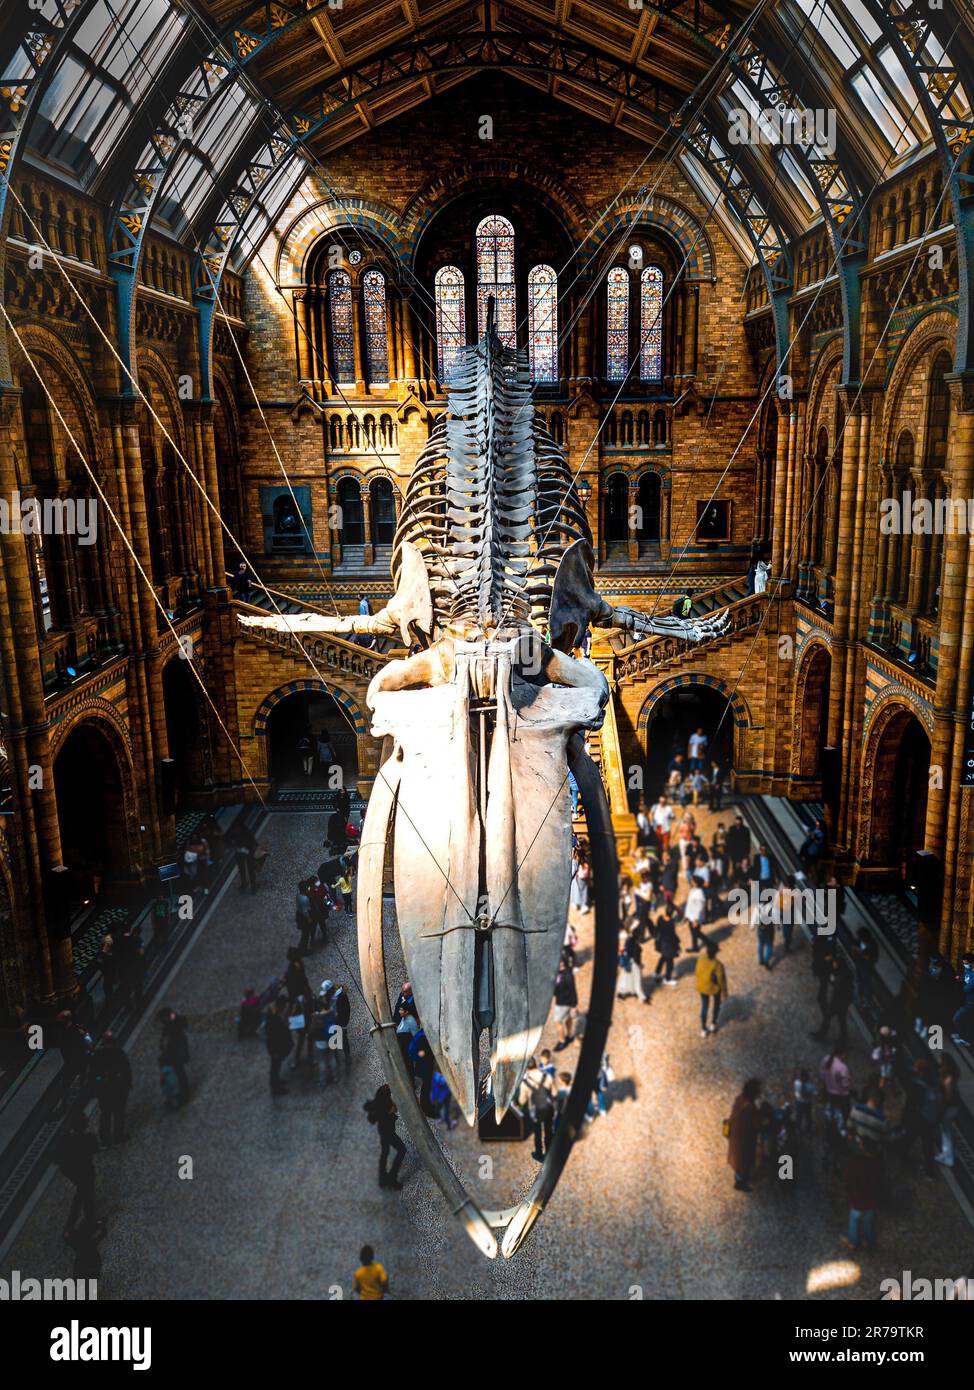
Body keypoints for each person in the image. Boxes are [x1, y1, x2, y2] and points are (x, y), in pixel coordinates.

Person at [57, 1112, 101, 1243]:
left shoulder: (65, 1139)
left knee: (82, 1195)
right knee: (86, 1196)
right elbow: (95, 1149)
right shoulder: (89, 1138)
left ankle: (72, 1226)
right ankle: (84, 1224)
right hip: (85, 1172)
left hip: (73, 1173)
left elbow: (58, 1158)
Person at [899, 1057, 943, 1177]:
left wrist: (904, 1119)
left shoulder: (918, 1085)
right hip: (930, 1120)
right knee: (927, 1144)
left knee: (911, 1135)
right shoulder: (934, 1082)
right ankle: (929, 1168)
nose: (913, 1069)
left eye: (915, 1068)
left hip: (920, 1117)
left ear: (921, 1072)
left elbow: (911, 1104)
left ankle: (902, 1152)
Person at [91, 1032, 132, 1147]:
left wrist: (97, 1086)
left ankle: (105, 1139)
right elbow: (126, 1071)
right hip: (118, 1088)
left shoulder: (98, 1055)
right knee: (119, 1113)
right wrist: (128, 1084)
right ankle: (118, 1137)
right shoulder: (119, 1053)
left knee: (106, 1114)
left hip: (104, 1090)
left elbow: (93, 1073)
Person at [364, 1084, 406, 1190]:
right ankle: (392, 1178)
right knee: (401, 1150)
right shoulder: (386, 1105)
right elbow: (395, 1109)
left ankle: (382, 1179)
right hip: (388, 1132)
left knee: (385, 1153)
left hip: (383, 1130)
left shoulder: (380, 1097)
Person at [844, 1138, 882, 1251]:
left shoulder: (855, 1162)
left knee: (854, 1221)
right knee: (868, 1221)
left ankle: (853, 1241)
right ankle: (867, 1240)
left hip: (857, 1200)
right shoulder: (877, 1164)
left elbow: (848, 1178)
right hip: (871, 1200)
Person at [727, 1078, 762, 1191]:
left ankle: (738, 1179)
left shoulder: (739, 1100)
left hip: (735, 1137)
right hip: (745, 1142)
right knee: (745, 1163)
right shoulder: (751, 1109)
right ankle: (741, 1183)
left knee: (738, 1161)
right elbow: (757, 1126)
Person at [519, 1056, 557, 1160]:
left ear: (526, 1068)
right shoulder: (547, 1076)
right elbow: (554, 1093)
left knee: (537, 1132)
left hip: (535, 1111)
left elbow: (522, 1101)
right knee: (548, 1131)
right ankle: (549, 1152)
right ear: (536, 1064)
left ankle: (539, 1153)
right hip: (548, 1108)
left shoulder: (525, 1082)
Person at [812, 956, 854, 1046]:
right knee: (841, 1020)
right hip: (841, 1002)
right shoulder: (844, 972)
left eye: (835, 963)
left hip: (839, 1002)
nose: (833, 965)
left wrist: (833, 980)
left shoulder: (844, 976)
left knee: (830, 1018)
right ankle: (843, 1038)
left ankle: (822, 1035)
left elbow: (838, 987)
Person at [157, 1007, 189, 1107]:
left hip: (176, 1055)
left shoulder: (174, 1027)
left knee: (179, 1074)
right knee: (176, 1074)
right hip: (173, 1055)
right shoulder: (169, 1027)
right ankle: (179, 1094)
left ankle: (183, 1094)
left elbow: (177, 1041)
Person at [696, 940, 727, 1037]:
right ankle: (713, 1024)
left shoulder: (701, 958)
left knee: (704, 1007)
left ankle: (703, 1029)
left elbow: (697, 971)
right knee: (716, 1004)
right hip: (714, 988)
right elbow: (721, 979)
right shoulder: (718, 965)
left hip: (702, 986)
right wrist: (724, 991)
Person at [935, 1053, 960, 1167]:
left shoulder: (948, 1079)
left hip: (949, 1108)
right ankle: (952, 1153)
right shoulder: (951, 1075)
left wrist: (942, 1109)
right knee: (949, 1131)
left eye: (940, 1060)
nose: (938, 1061)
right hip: (952, 1107)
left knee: (946, 1132)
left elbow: (948, 1097)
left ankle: (948, 1157)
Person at [266, 995, 293, 1095]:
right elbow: (273, 1035)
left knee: (276, 1066)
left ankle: (276, 1081)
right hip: (276, 1048)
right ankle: (275, 1088)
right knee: (275, 1066)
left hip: (276, 1047)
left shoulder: (274, 1014)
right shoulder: (273, 1017)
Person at [552, 952, 578, 1048]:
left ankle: (562, 1041)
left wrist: (574, 1005)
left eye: (561, 961)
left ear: (563, 962)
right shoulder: (559, 973)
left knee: (557, 1022)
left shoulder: (567, 975)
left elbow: (573, 990)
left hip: (563, 1003)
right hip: (562, 1001)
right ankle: (569, 1036)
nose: (559, 963)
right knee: (567, 1019)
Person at [820, 1047, 852, 1121]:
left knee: (830, 1105)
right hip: (839, 1094)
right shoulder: (843, 1067)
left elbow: (822, 1074)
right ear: (842, 1054)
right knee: (840, 1110)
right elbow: (845, 1085)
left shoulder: (826, 1058)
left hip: (828, 1089)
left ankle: (829, 1119)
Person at [653, 907, 681, 985]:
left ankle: (657, 972)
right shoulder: (671, 922)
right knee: (670, 961)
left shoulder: (660, 918)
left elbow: (657, 929)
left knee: (663, 958)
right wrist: (677, 945)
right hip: (669, 944)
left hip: (661, 942)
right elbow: (672, 934)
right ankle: (667, 978)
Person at [232, 821, 259, 894]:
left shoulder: (246, 834)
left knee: (250, 871)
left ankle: (253, 887)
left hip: (248, 853)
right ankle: (245, 884)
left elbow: (254, 843)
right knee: (242, 870)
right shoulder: (235, 835)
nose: (236, 830)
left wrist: (250, 850)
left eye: (237, 828)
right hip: (240, 854)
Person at [683, 874, 707, 953]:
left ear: (696, 883)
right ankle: (695, 947)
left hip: (695, 918)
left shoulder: (699, 894)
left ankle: (709, 944)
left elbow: (699, 908)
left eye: (693, 881)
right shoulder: (693, 890)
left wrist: (696, 920)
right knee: (695, 933)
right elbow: (690, 904)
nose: (691, 881)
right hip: (691, 916)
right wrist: (687, 916)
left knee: (697, 933)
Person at [793, 1068, 815, 1135]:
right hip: (806, 1102)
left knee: (799, 1116)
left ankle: (798, 1128)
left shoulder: (796, 1083)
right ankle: (807, 1129)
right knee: (807, 1116)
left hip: (799, 1102)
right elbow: (814, 1093)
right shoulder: (810, 1086)